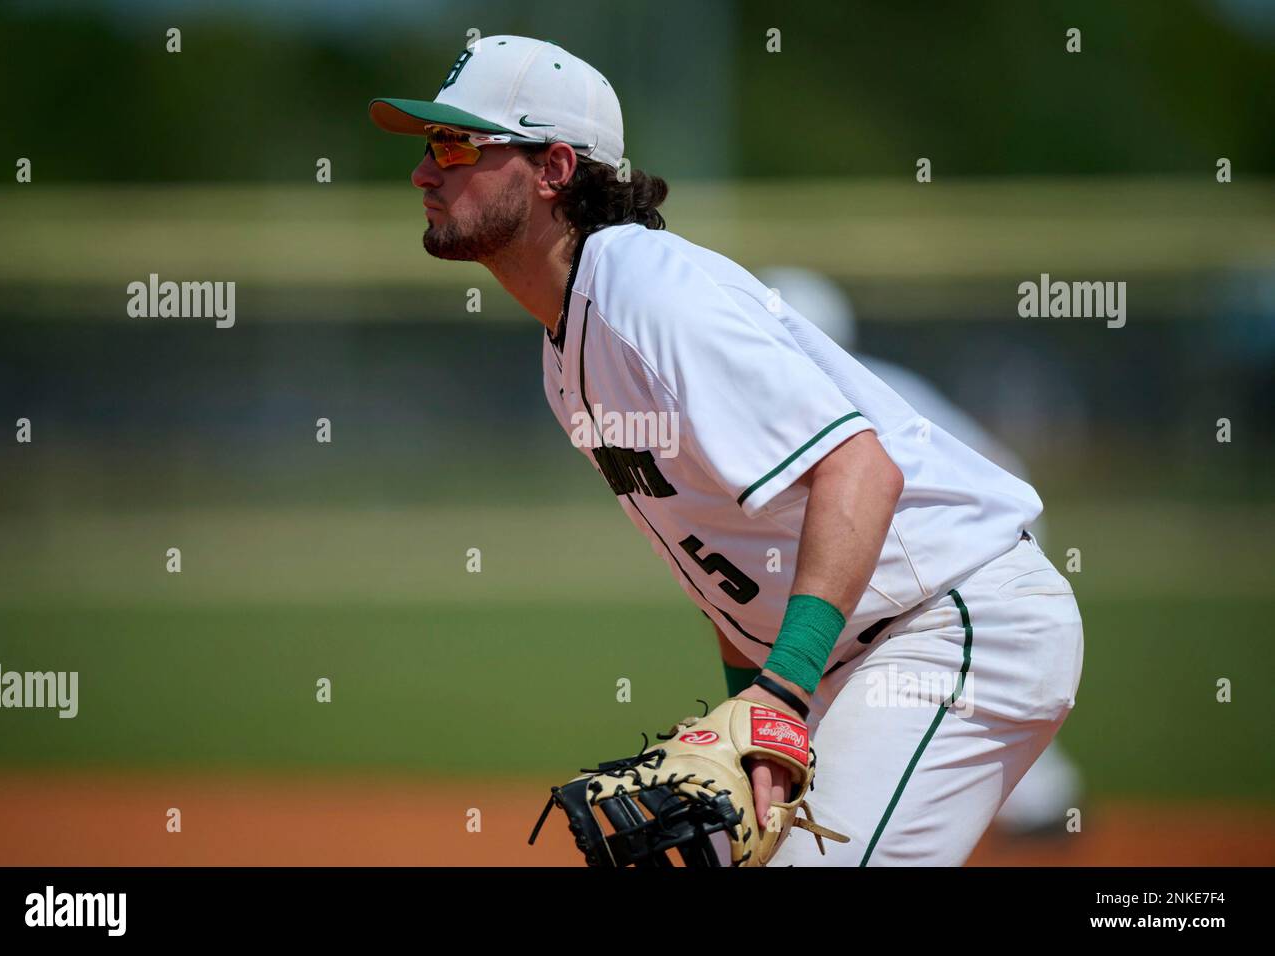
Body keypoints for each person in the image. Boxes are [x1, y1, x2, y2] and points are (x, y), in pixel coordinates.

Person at [370, 35, 1084, 866]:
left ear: (555, 168)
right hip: (859, 654)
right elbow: (733, 573)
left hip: (954, 620)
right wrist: (753, 731)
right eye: (429, 146)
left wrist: (782, 696)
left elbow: (861, 468)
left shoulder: (645, 288)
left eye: (457, 145)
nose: (425, 171)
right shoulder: (565, 357)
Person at [758, 268, 1084, 838]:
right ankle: (1031, 804)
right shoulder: (866, 379)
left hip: (987, 532)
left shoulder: (836, 390)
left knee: (950, 680)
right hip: (965, 528)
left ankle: (1036, 803)